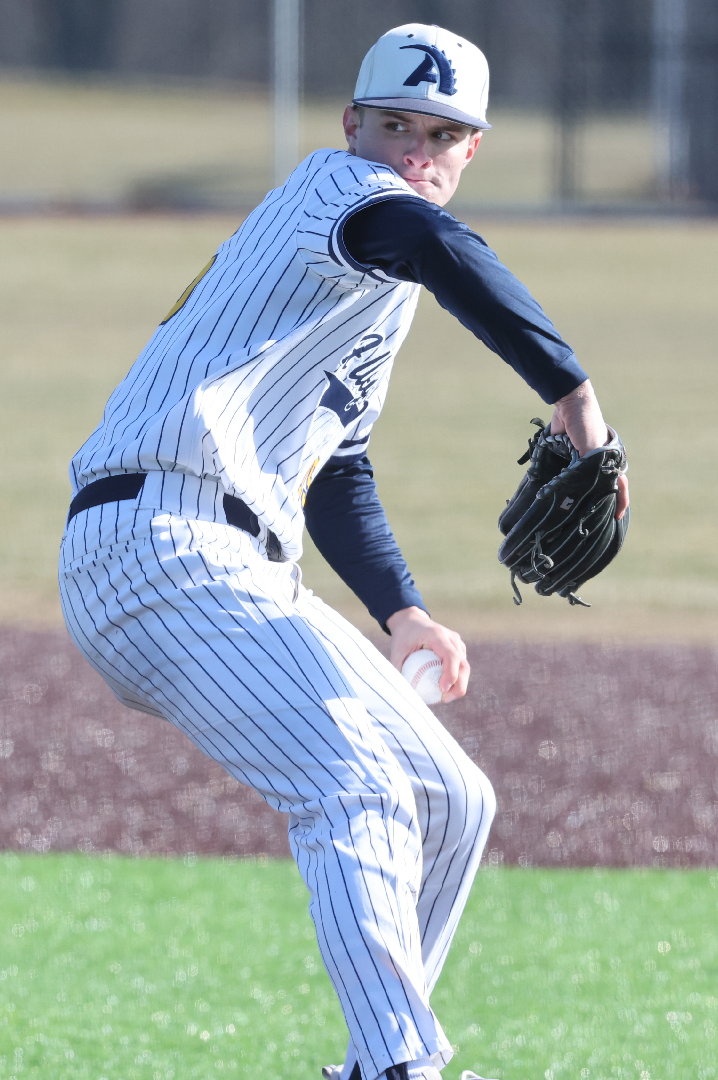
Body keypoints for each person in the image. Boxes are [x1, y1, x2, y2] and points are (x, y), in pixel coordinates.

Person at [58, 23, 628, 1080]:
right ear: (351, 125)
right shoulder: (340, 197)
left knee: (452, 801)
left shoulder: (374, 279)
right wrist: (574, 398)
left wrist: (402, 612)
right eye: (396, 125)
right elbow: (443, 248)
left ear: (473, 148)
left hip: (226, 561)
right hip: (158, 542)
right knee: (355, 787)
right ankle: (400, 1065)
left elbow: (337, 468)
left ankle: (383, 1058)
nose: (415, 150)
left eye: (442, 136)